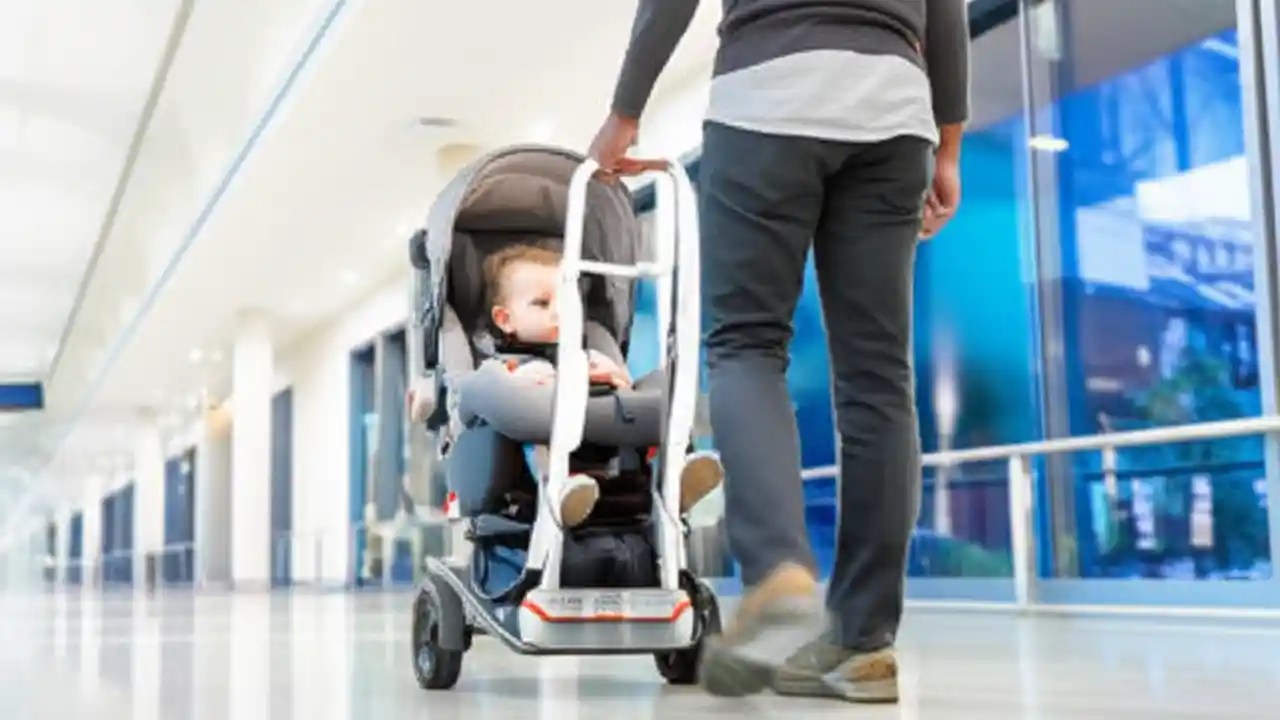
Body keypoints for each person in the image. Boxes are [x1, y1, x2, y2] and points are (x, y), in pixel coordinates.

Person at [589, 0, 970, 704]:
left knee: (746, 346)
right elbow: (944, 10)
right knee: (879, 377)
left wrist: (625, 111)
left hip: (765, 96)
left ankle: (778, 571)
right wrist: (948, 145)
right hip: (895, 109)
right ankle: (863, 642)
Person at [477, 243, 724, 527]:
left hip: (604, 448)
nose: (559, 313)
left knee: (660, 386)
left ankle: (678, 472)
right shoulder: (504, 367)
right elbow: (508, 395)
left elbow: (626, 391)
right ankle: (558, 494)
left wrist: (615, 378)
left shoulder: (588, 353)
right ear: (505, 319)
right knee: (531, 424)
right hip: (550, 458)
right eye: (541, 303)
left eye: (566, 302)